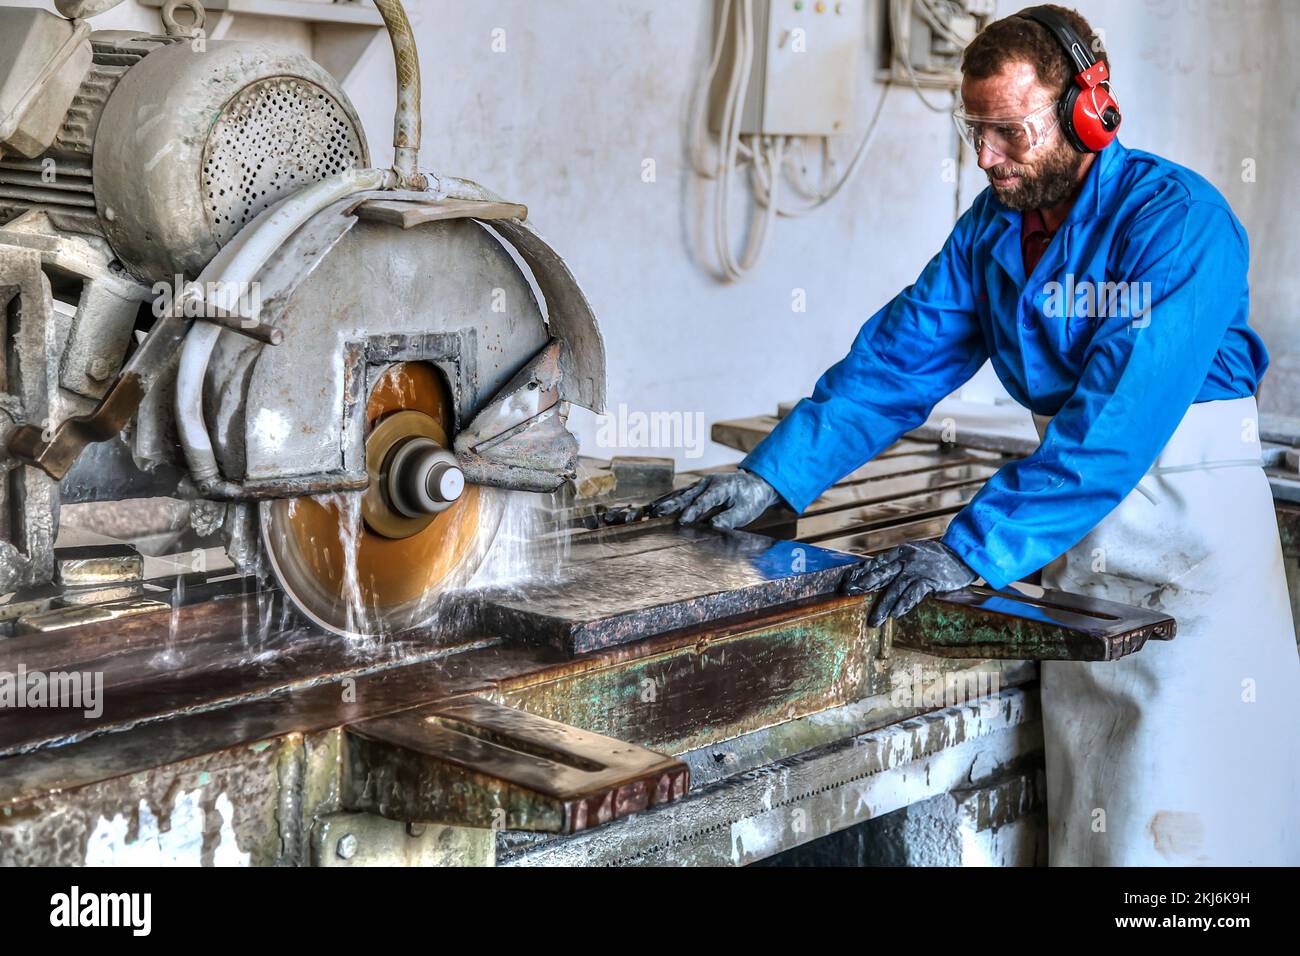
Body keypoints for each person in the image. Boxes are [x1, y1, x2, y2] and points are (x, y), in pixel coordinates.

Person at [648, 5, 1300, 865]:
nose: (986, 157)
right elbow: (896, 362)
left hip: (1190, 560)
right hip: (1080, 558)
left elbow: (1113, 426)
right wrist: (771, 479)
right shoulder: (994, 230)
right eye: (975, 131)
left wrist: (969, 549)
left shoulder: (1178, 223)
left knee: (1189, 849)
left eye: (1008, 131)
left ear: (1087, 111)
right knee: (1099, 838)